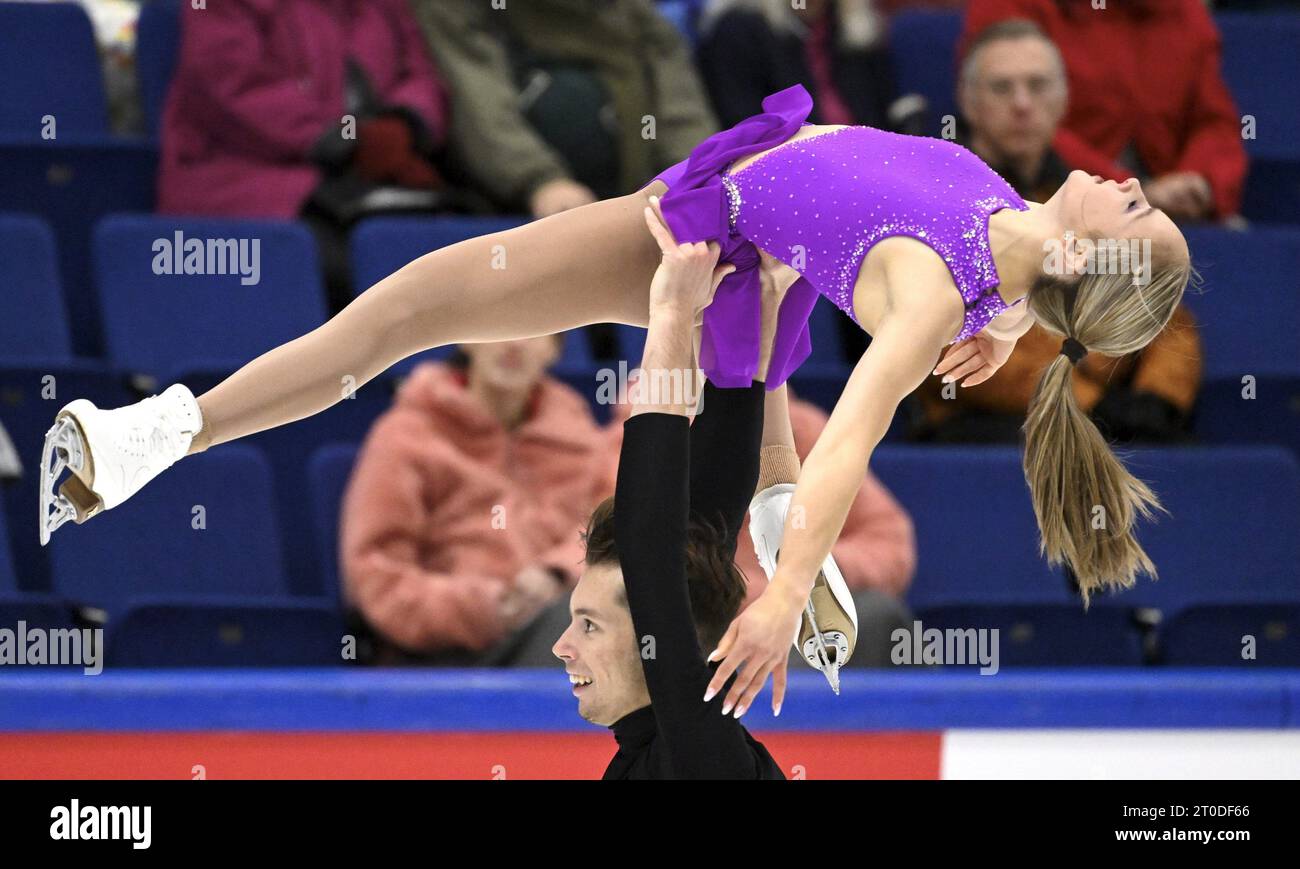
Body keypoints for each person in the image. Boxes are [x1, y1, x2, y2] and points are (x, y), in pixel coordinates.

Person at [40, 83, 1192, 718]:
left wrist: (785, 596)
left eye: (1139, 217)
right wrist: (1007, 332)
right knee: (743, 403)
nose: (1134, 187)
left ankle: (153, 435)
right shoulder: (1004, 263)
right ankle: (768, 515)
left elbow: (859, 433)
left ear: (1094, 267)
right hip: (773, 257)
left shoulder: (940, 290)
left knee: (399, 314)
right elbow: (1015, 282)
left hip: (720, 241)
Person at [554, 200, 785, 778]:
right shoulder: (657, 752)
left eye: (589, 624)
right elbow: (704, 518)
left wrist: (673, 310)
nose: (561, 646)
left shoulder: (703, 761)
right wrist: (742, 330)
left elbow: (652, 548)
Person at [339, 335, 608, 666]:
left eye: (535, 327)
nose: (514, 343)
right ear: (466, 338)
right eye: (497, 323)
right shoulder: (406, 435)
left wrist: (556, 572)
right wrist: (484, 607)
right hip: (442, 647)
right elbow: (377, 571)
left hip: (554, 617)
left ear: (555, 350)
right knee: (588, 633)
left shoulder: (575, 435)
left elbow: (607, 527)